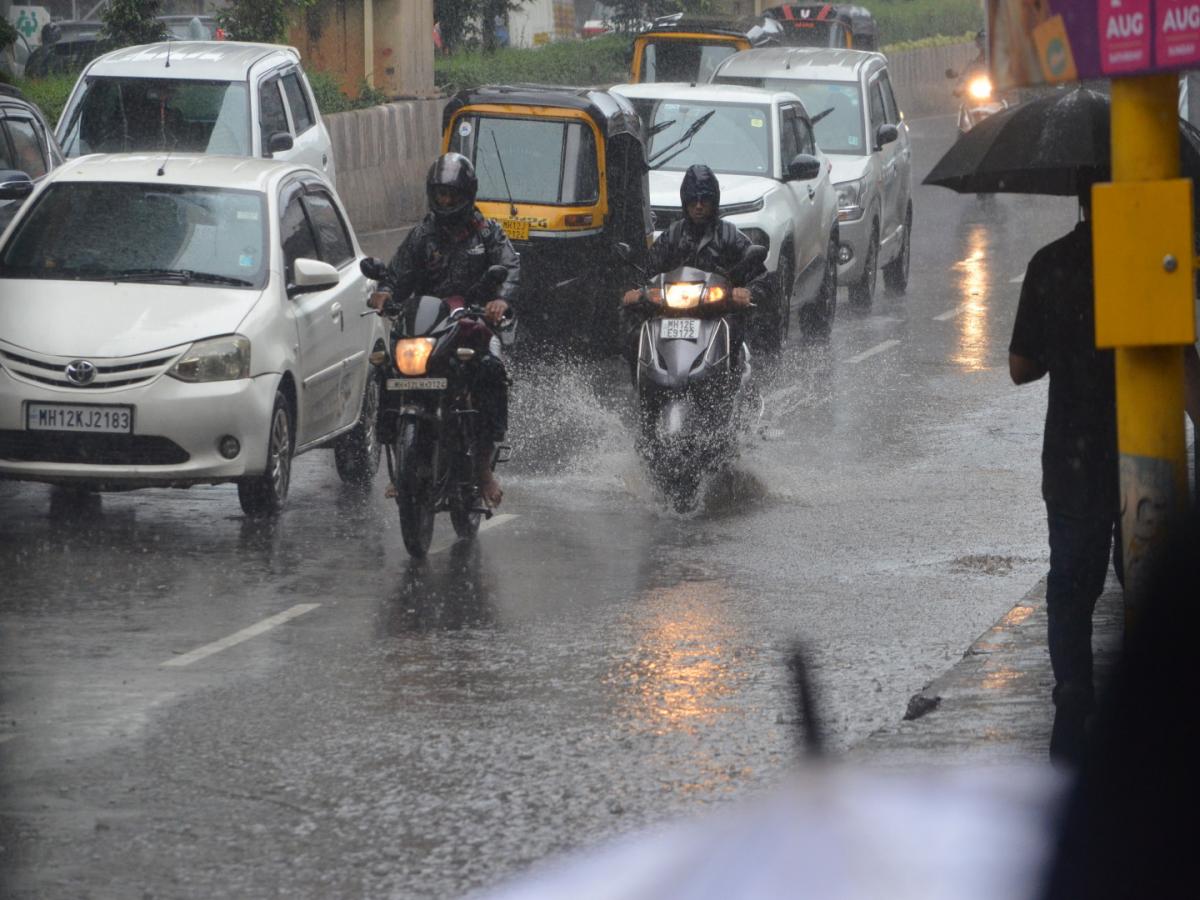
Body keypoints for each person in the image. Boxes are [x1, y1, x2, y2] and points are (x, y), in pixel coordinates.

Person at [1008, 179, 1117, 764]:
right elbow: (1182, 361)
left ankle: (1074, 693)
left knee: (1072, 587)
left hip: (1074, 455)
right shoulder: (1147, 261)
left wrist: (1068, 341)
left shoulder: (1050, 264)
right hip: (1139, 449)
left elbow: (1020, 367)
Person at [372, 152, 519, 508]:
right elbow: (397, 274)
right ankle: (399, 462)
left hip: (476, 324)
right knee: (385, 368)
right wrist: (385, 292)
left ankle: (483, 470)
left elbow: (510, 266)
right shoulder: (422, 236)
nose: (446, 201)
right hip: (429, 325)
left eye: (452, 194)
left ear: (467, 194)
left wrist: (500, 300)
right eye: (441, 194)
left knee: (491, 372)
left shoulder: (488, 234)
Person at [620, 164, 770, 373]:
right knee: (634, 333)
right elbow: (647, 269)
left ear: (714, 201)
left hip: (716, 311)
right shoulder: (672, 236)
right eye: (693, 200)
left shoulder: (730, 235)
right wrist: (634, 291)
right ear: (685, 202)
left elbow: (760, 275)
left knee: (736, 330)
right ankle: (644, 380)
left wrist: (748, 292)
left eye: (704, 200)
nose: (698, 206)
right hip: (671, 311)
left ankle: (737, 377)